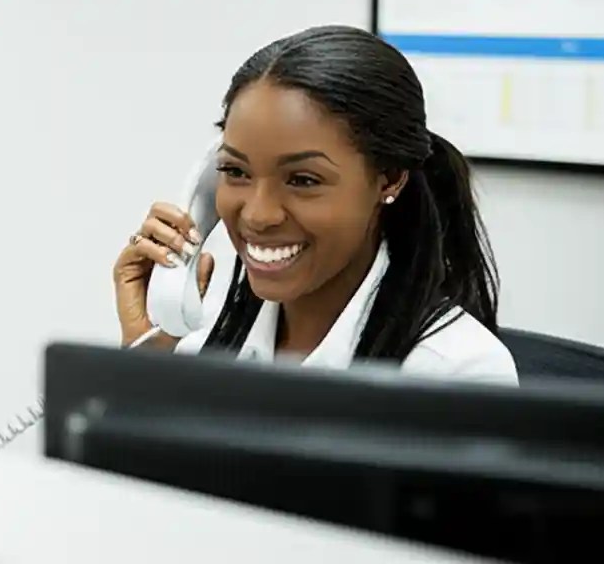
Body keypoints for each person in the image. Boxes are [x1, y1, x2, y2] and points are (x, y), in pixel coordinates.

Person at [112, 24, 517, 385]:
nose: (257, 214)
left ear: (389, 178)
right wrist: (150, 361)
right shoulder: (204, 344)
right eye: (236, 172)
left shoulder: (456, 373)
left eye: (303, 180)